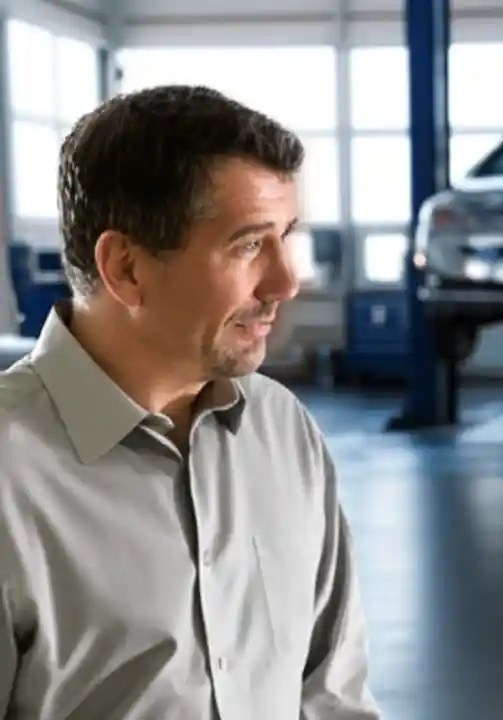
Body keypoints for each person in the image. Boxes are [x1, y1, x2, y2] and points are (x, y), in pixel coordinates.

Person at [0, 86, 380, 718]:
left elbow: (332, 695)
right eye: (250, 244)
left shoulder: (283, 430)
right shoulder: (11, 472)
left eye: (287, 237)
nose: (287, 282)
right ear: (126, 267)